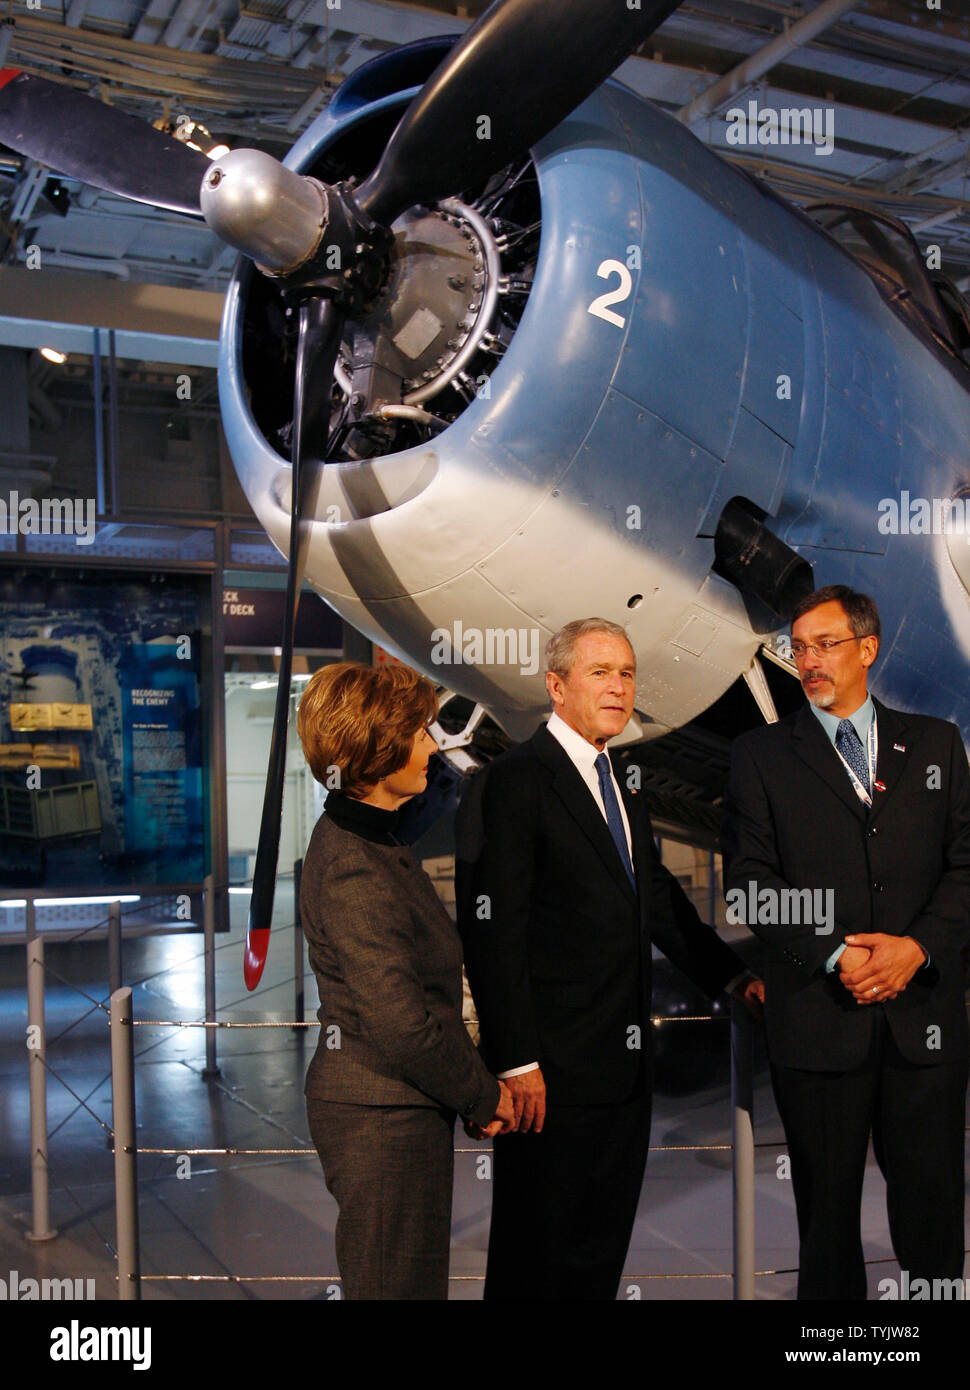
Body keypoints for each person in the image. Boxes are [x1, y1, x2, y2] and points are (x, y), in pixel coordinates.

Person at [455, 617, 761, 1300]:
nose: (619, 687)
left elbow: (655, 895)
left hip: (622, 1074)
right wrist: (515, 1061)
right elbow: (492, 931)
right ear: (556, 686)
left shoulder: (622, 777)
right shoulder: (515, 780)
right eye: (601, 672)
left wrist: (731, 974)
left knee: (595, 1259)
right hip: (549, 1080)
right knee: (535, 1263)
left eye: (626, 673)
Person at [722, 584, 970, 1300]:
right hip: (819, 1027)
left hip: (923, 1027)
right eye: (797, 647)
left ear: (868, 648)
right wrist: (839, 953)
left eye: (825, 644)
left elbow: (966, 866)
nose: (808, 661)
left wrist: (914, 949)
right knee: (826, 1230)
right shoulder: (760, 755)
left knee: (933, 1224)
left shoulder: (935, 744)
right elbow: (749, 884)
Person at [297, 660, 513, 1300]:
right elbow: (401, 1024)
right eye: (418, 732)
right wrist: (482, 1095)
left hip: (398, 1108)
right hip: (380, 1117)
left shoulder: (370, 840)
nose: (431, 744)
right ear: (377, 748)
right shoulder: (353, 866)